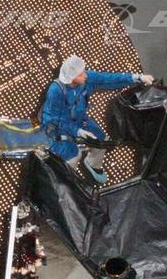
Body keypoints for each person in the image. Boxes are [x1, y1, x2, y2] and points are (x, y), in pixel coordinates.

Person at [41, 55, 153, 185]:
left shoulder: (85, 79)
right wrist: (78, 132)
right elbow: (58, 120)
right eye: (80, 74)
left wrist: (137, 78)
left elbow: (109, 79)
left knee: (100, 140)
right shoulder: (56, 91)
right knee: (72, 156)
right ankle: (61, 183)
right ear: (71, 78)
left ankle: (92, 164)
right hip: (58, 129)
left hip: (79, 120)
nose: (85, 75)